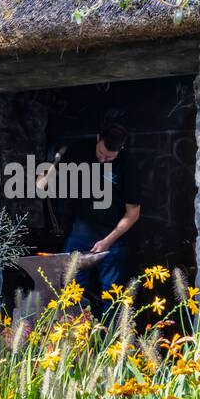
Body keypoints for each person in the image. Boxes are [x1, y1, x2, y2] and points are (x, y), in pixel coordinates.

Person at [56, 113, 141, 304]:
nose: (102, 160)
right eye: (100, 154)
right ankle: (74, 333)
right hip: (79, 233)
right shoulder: (79, 149)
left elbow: (133, 213)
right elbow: (56, 170)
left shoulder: (128, 166)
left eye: (109, 158)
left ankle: (108, 334)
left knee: (111, 297)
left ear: (121, 149)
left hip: (112, 240)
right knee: (71, 292)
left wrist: (108, 241)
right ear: (97, 138)